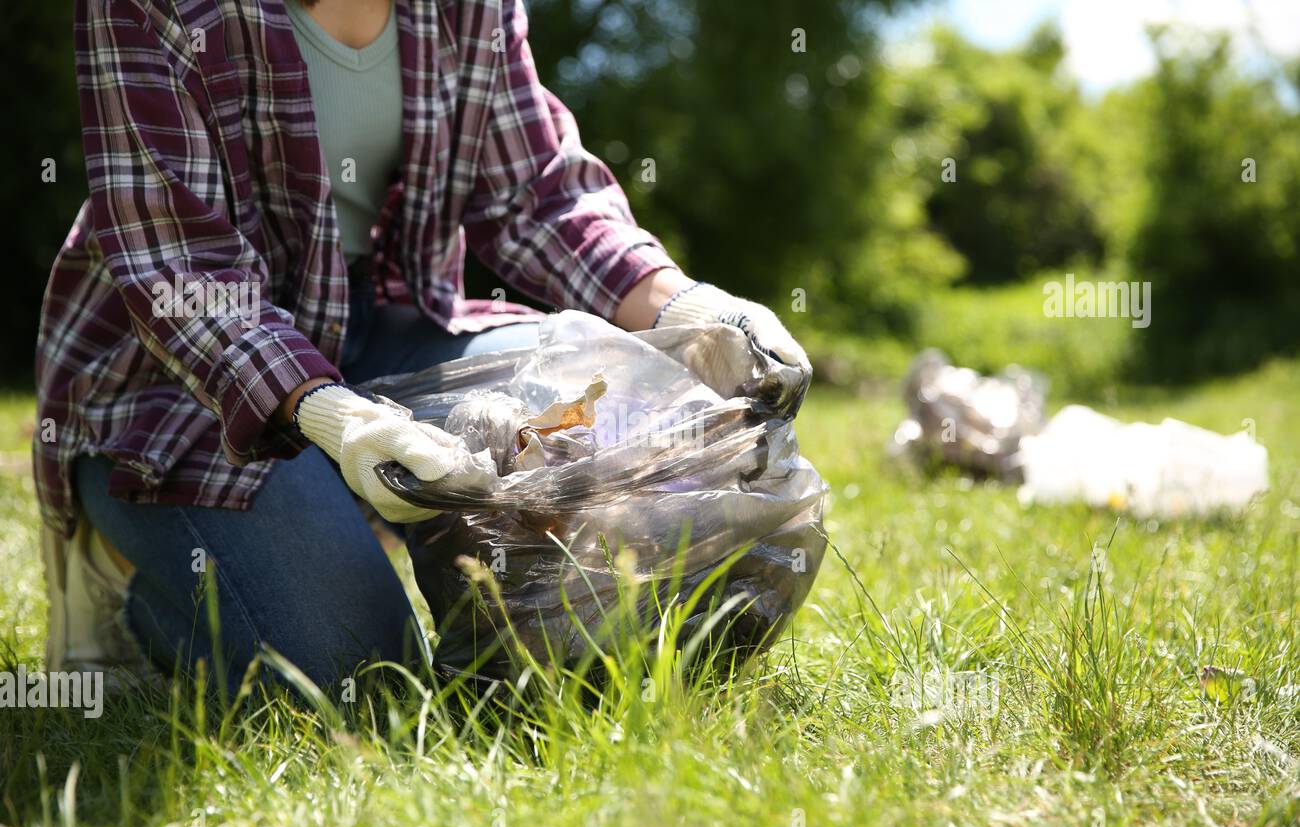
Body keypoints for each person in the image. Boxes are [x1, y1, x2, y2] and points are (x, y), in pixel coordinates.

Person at [37, 0, 811, 692]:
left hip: (382, 320)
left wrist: (688, 304)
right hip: (177, 378)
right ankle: (133, 582)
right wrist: (336, 420)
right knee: (356, 677)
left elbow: (538, 192)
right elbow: (182, 268)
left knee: (610, 431)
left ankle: (351, 520)